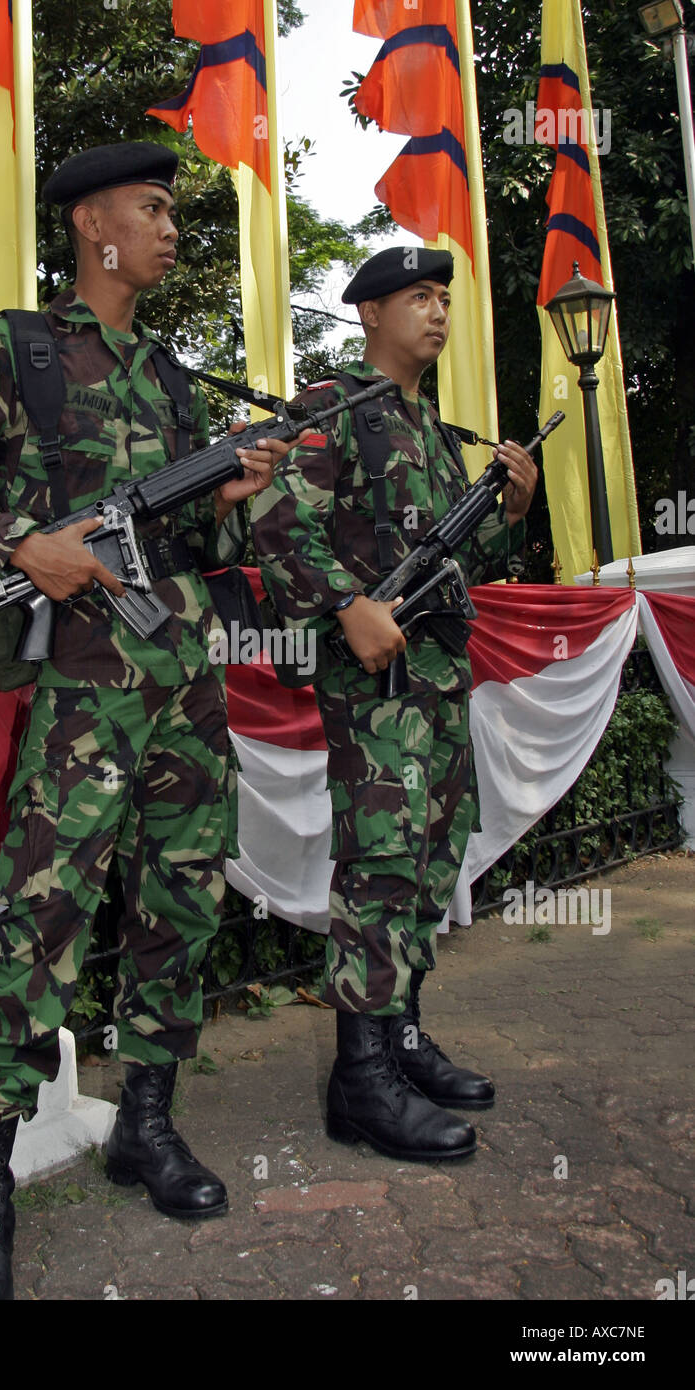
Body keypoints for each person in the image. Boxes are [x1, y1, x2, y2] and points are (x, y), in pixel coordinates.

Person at [0, 141, 289, 1300]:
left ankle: (145, 1122)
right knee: (43, 915)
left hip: (183, 678)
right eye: (151, 209)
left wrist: (228, 501)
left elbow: (200, 550)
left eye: (172, 210)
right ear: (90, 225)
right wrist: (23, 544)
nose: (170, 228)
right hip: (79, 688)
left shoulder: (173, 381)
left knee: (182, 896)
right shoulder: (17, 349)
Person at [251, 247, 538, 1163]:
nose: (439, 312)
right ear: (370, 314)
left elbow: (461, 559)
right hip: (375, 692)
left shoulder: (434, 433)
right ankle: (360, 1078)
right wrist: (344, 603)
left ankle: (403, 1037)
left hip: (438, 683)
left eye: (444, 298)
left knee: (425, 861)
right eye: (419, 297)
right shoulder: (336, 412)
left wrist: (511, 507)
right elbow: (271, 520)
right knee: (378, 868)